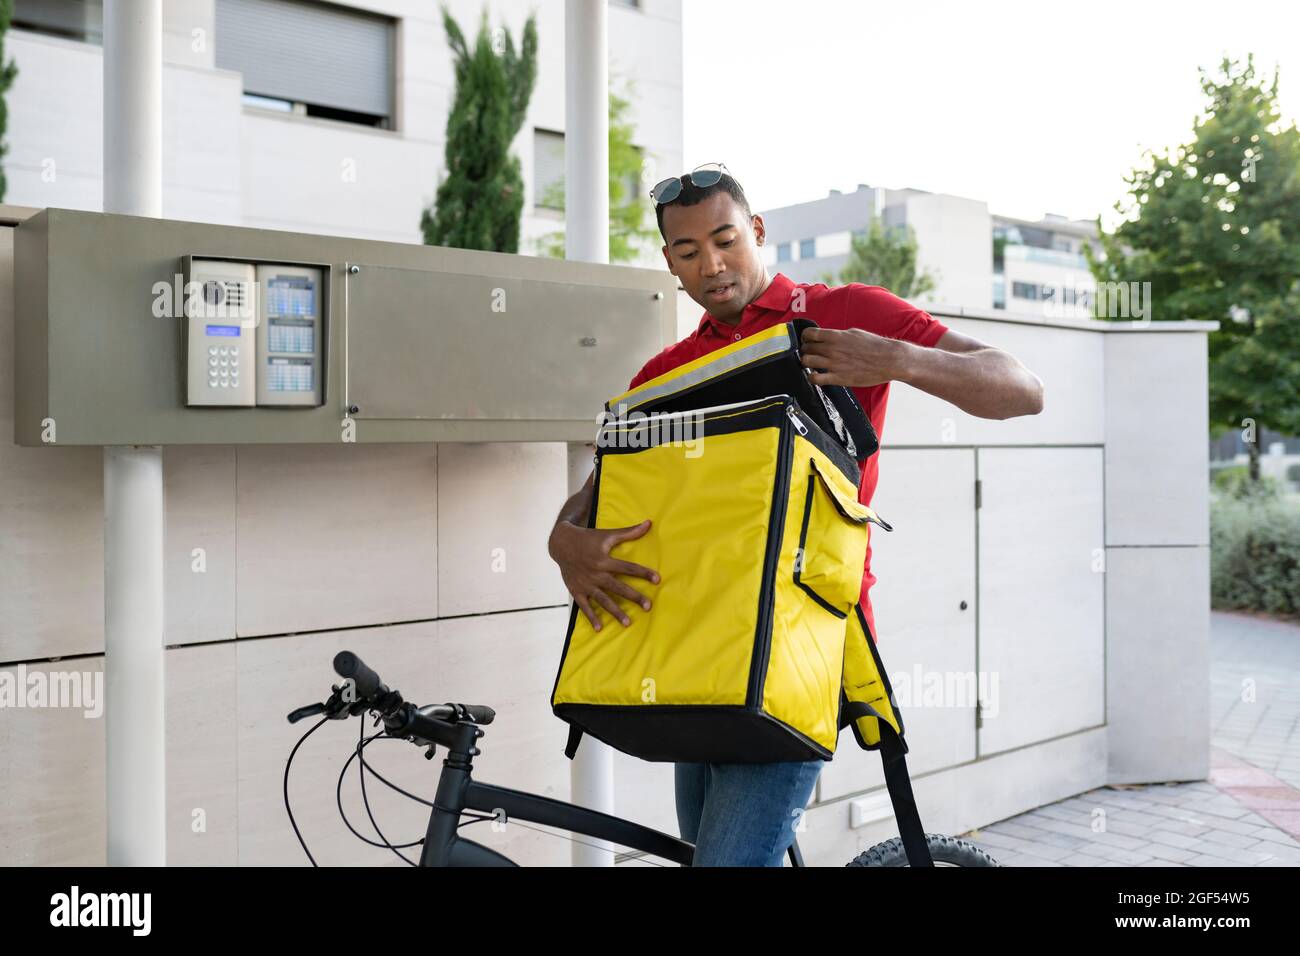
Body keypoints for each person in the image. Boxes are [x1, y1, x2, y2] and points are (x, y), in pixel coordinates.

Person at [546, 163, 1044, 866]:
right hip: (695, 655)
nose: (712, 265)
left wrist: (895, 358)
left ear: (755, 231)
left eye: (725, 240)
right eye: (688, 252)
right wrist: (564, 538)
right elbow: (602, 492)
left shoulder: (848, 314)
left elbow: (1021, 390)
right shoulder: (663, 376)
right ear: (670, 264)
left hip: (802, 648)